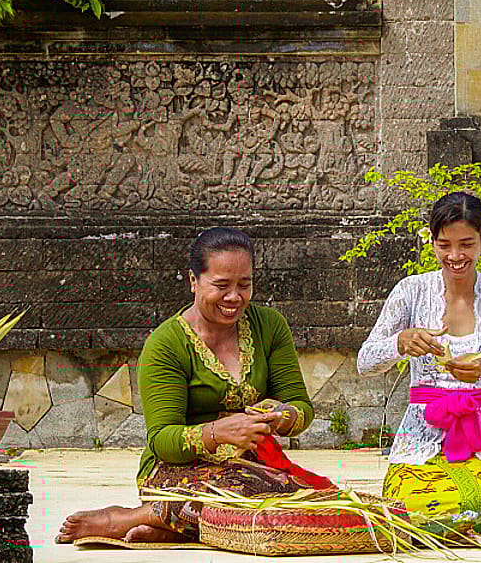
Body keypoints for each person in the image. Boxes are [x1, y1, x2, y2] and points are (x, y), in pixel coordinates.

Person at [56, 227, 325, 544]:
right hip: (178, 474)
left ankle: (170, 528)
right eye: (221, 286)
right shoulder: (166, 344)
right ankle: (126, 517)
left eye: (245, 285)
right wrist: (220, 432)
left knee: (305, 504)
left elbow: (301, 405)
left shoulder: (270, 326)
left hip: (251, 468)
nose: (234, 297)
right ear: (193, 281)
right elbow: (162, 440)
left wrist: (284, 415)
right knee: (238, 498)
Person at [357, 191, 481, 519]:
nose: (455, 255)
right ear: (432, 243)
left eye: (466, 244)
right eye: (445, 245)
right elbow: (365, 363)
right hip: (417, 445)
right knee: (408, 508)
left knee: (469, 507)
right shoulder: (410, 291)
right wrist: (400, 343)